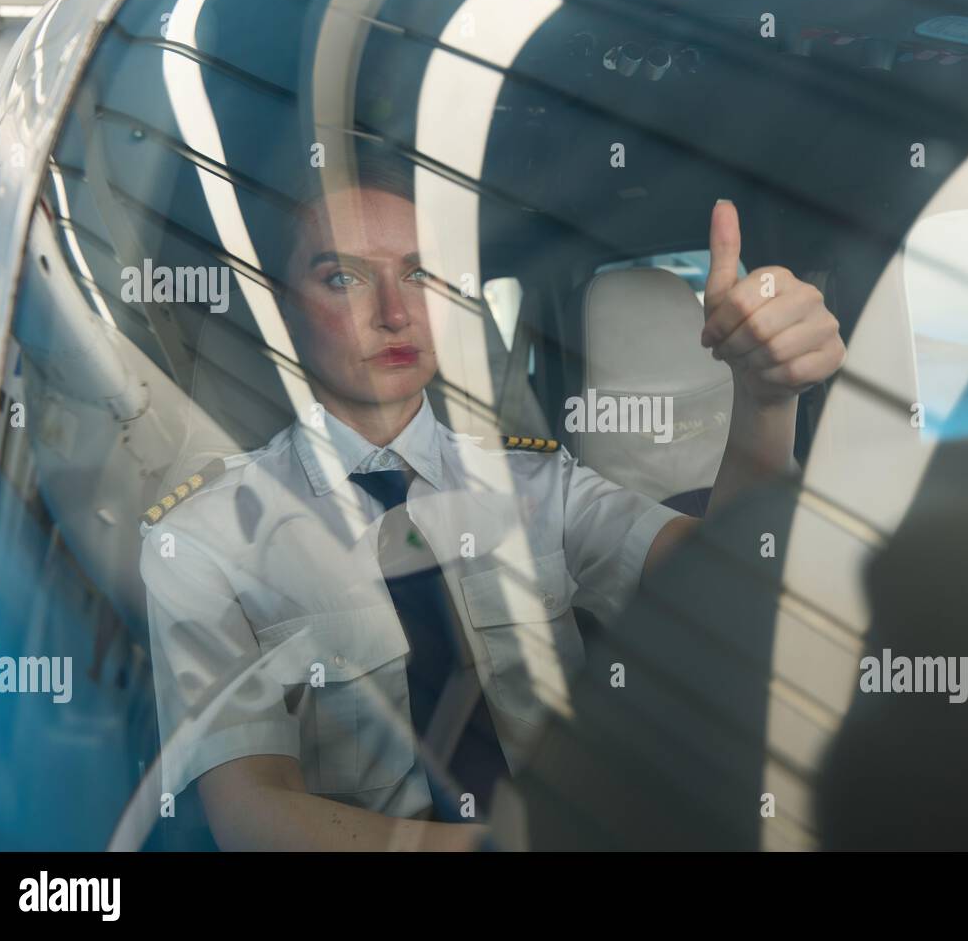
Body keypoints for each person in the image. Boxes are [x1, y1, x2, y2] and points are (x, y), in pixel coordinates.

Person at [139, 156, 846, 851]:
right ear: (281, 305)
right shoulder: (205, 534)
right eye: (344, 277)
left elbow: (725, 579)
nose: (395, 312)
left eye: (421, 275)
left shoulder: (535, 484)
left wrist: (764, 400)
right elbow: (251, 809)